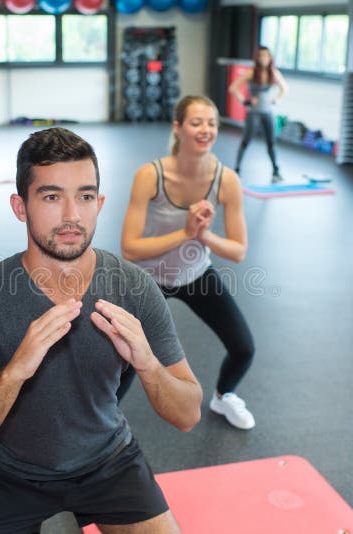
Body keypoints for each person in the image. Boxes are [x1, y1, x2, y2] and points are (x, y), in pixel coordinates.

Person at [0, 127, 202, 533]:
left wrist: (147, 365)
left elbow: (187, 415)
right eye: (52, 197)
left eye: (86, 196)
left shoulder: (133, 288)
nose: (72, 215)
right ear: (20, 207)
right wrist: (14, 373)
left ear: (100, 203)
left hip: (107, 459)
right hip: (8, 473)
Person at [119, 95, 257, 430]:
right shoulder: (149, 176)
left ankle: (223, 397)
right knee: (123, 361)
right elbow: (130, 248)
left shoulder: (226, 180)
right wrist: (185, 232)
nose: (205, 129)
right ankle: (101, 418)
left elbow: (238, 251)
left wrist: (203, 235)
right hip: (148, 278)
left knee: (243, 348)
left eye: (211, 123)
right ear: (178, 128)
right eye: (196, 122)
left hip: (196, 274)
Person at [229, 46, 287, 182]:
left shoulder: (273, 73)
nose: (263, 58)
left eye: (266, 56)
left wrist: (276, 100)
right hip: (254, 112)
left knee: (271, 142)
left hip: (268, 111)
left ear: (270, 58)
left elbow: (284, 88)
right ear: (257, 58)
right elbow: (233, 88)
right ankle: (236, 169)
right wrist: (246, 101)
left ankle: (276, 171)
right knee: (246, 140)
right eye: (261, 56)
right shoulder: (251, 72)